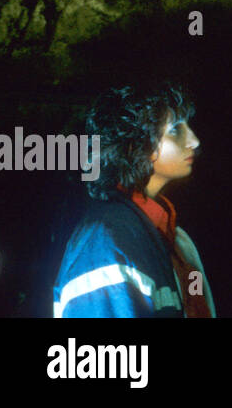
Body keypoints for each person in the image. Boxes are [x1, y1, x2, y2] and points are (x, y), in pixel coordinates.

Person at [52, 83, 214, 317]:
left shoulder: (178, 241)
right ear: (133, 144)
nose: (194, 141)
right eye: (175, 130)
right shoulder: (106, 243)